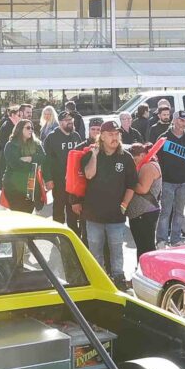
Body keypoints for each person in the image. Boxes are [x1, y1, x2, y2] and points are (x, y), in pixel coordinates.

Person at [79, 121, 139, 282]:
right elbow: (89, 175)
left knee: (116, 249)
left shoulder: (126, 157)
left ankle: (118, 277)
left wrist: (124, 204)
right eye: (111, 134)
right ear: (102, 136)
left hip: (116, 215)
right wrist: (94, 155)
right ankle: (98, 279)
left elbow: (131, 184)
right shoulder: (90, 155)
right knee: (95, 249)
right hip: (93, 214)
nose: (115, 137)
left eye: (117, 134)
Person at [153, 112, 185, 245]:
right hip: (167, 181)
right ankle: (161, 240)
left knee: (179, 212)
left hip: (183, 181)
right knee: (165, 212)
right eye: (182, 120)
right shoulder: (164, 137)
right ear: (175, 120)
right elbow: (156, 158)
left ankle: (176, 239)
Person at [41, 111, 82, 228]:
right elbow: (46, 161)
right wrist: (48, 179)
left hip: (74, 181)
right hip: (59, 180)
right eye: (66, 120)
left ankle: (73, 236)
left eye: (71, 120)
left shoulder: (76, 136)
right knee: (59, 209)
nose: (70, 122)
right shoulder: (52, 137)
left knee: (73, 210)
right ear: (60, 123)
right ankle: (58, 236)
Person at [127, 142, 163, 269]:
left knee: (146, 247)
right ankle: (144, 272)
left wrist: (127, 182)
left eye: (135, 159)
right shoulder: (146, 165)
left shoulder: (148, 167)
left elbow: (142, 189)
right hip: (142, 213)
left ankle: (149, 273)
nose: (134, 163)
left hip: (144, 213)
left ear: (143, 155)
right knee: (143, 246)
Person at [0, 119, 47, 213]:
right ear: (20, 129)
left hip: (32, 186)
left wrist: (30, 159)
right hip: (14, 186)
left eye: (32, 128)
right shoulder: (11, 145)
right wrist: (33, 166)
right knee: (18, 215)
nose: (31, 130)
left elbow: (43, 158)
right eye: (28, 128)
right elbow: (16, 165)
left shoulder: (36, 143)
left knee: (28, 214)